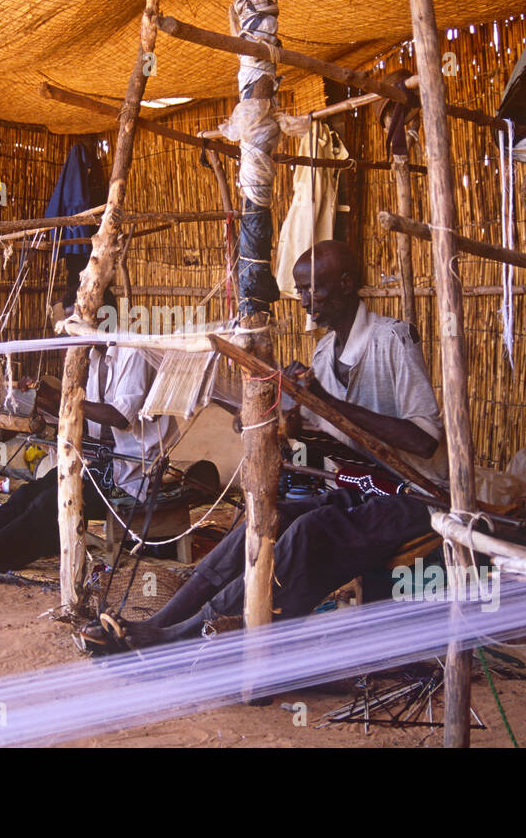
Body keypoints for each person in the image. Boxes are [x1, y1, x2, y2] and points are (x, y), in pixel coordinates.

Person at [84, 241, 447, 649]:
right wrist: (289, 414)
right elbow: (331, 435)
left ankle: (179, 637)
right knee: (262, 525)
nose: (305, 300)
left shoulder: (393, 339)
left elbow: (423, 439)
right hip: (360, 491)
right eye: (300, 290)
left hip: (415, 498)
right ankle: (160, 621)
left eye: (313, 289)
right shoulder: (326, 352)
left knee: (309, 531)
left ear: (346, 284)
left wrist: (324, 403)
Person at [0, 289, 177, 582]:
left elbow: (119, 416)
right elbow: (89, 420)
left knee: (49, 505)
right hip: (102, 465)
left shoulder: (133, 353)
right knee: (28, 494)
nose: (72, 331)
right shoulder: (94, 360)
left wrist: (64, 398)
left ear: (105, 317)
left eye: (77, 322)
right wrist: (45, 402)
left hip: (134, 472)